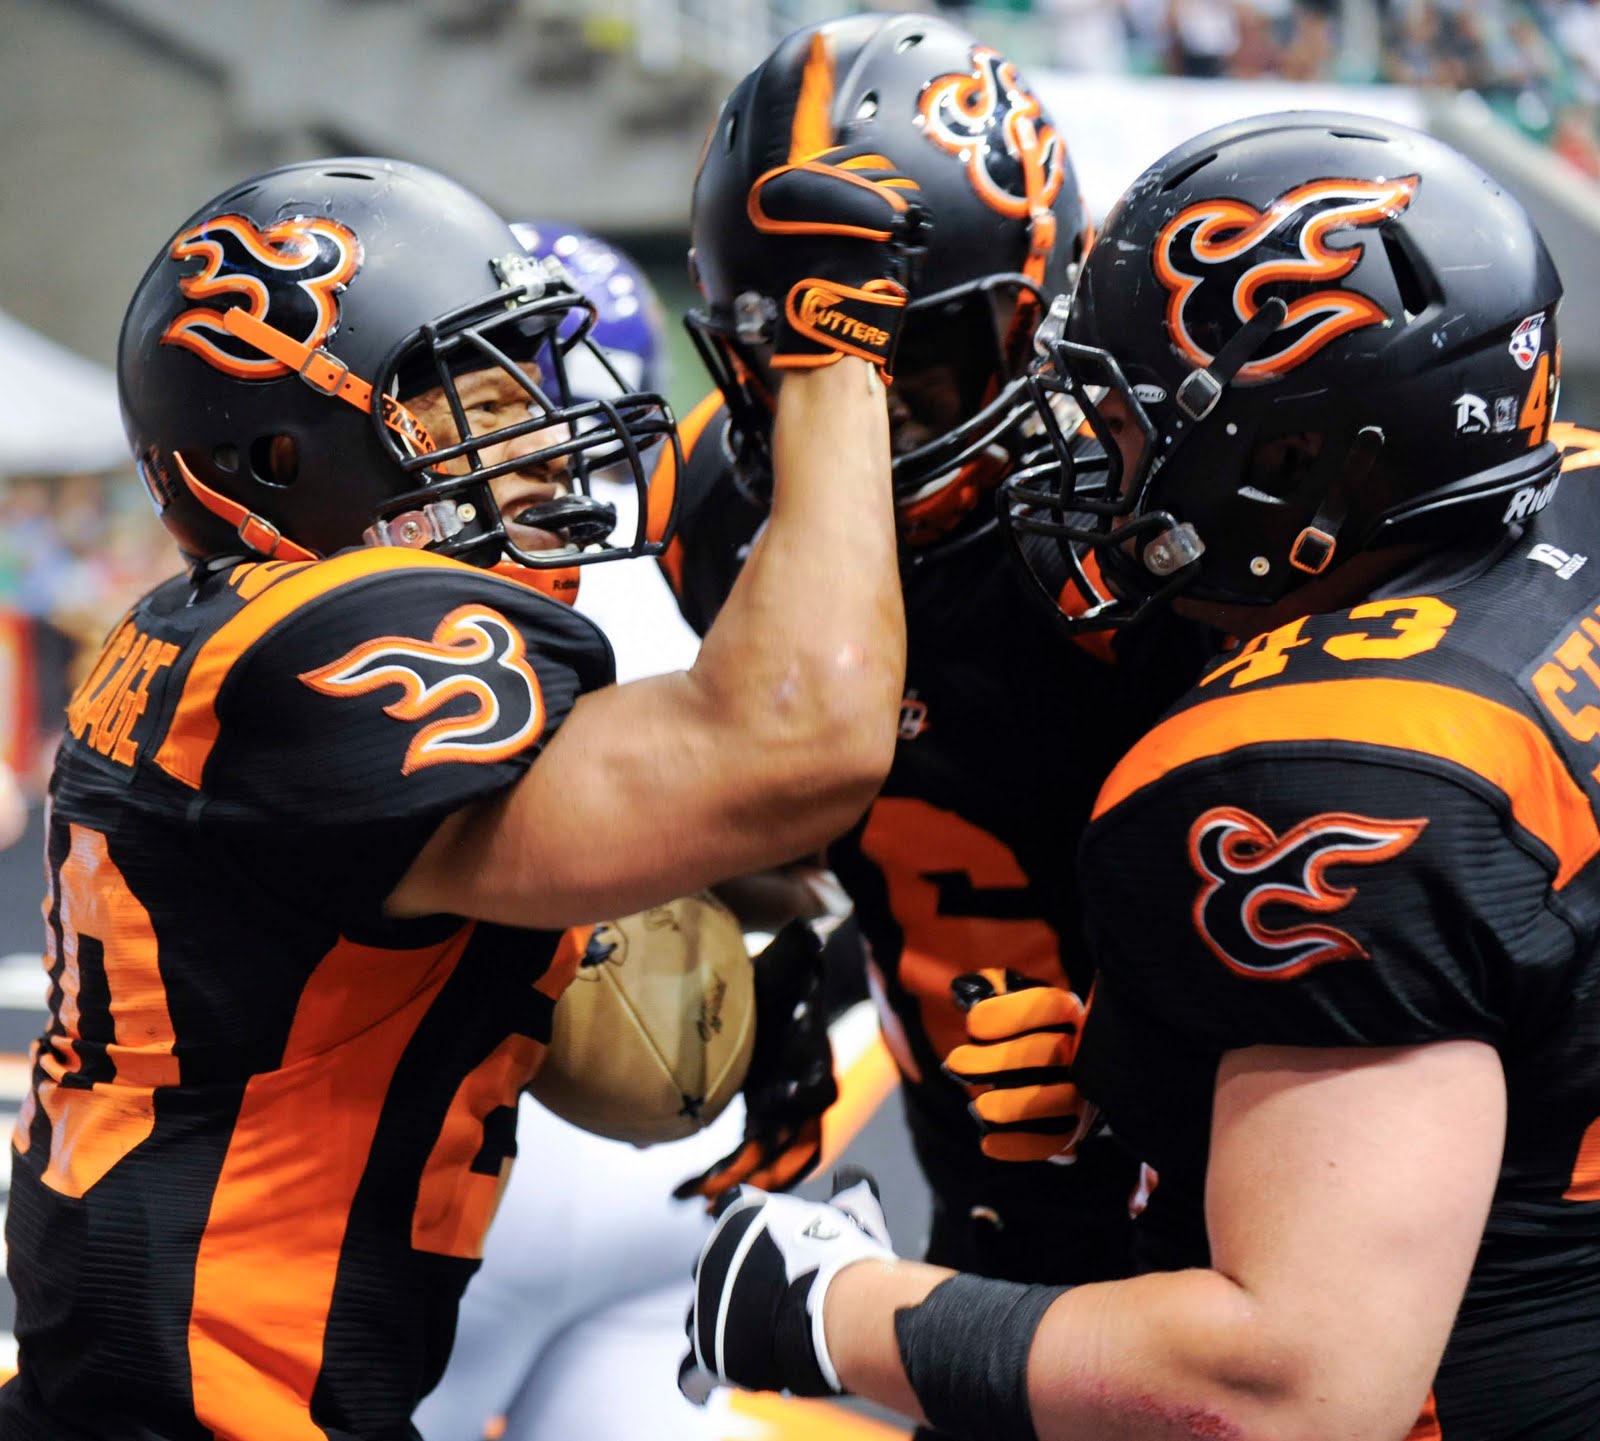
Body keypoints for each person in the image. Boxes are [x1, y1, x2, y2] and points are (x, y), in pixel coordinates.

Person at [681, 111, 1600, 1439]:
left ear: (1293, 459)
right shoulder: (1562, 498)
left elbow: (1290, 1382)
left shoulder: (1309, 767)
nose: (1085, 470)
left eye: (1127, 424)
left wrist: (822, 1304)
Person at [2, 151, 915, 1441]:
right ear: (282, 456)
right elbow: (800, 737)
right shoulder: (306, 653)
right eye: (475, 411)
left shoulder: (230, 646)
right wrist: (832, 357)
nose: (542, 449)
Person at [653, 7, 1206, 1311]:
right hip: (979, 1197)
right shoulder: (713, 508)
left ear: (1038, 313)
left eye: (913, 356)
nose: (859, 407)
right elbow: (820, 811)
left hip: (1232, 1185)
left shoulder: (1150, 521)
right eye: (797, 352)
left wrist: (1160, 1042)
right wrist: (784, 956)